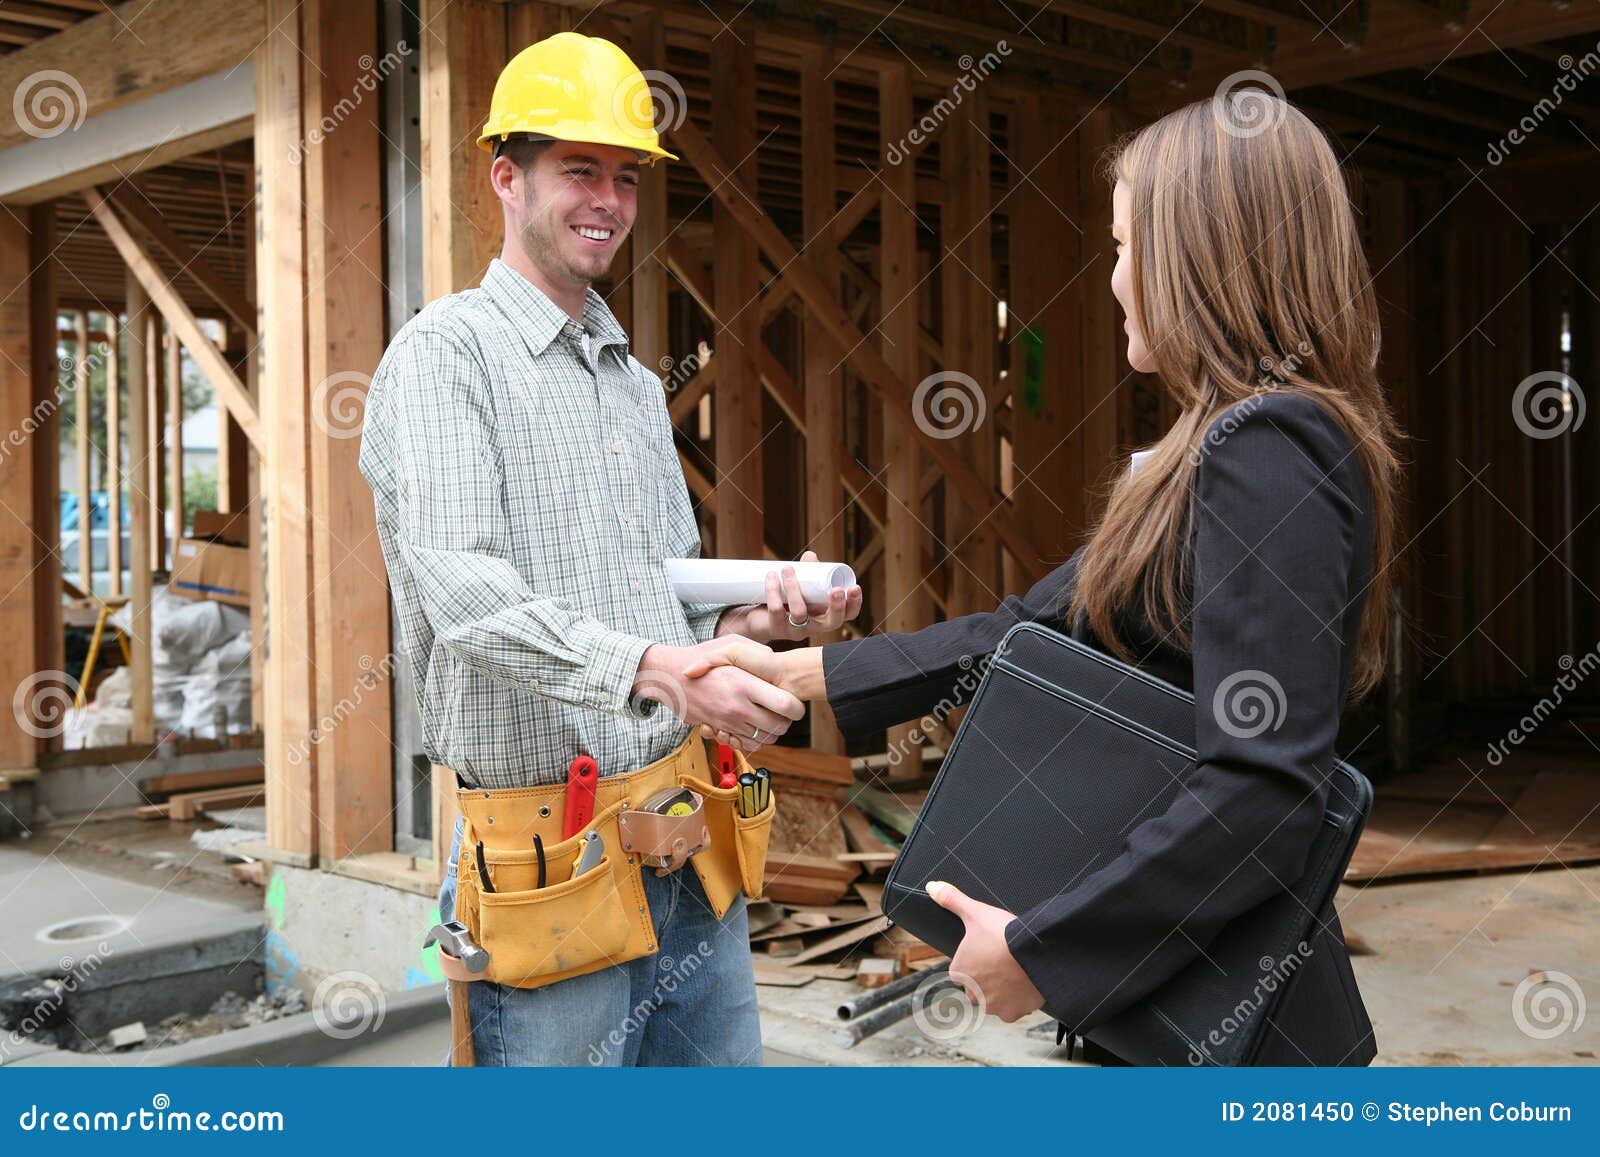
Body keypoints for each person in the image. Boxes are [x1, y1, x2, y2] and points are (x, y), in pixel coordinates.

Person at [688, 93, 1401, 1066]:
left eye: (1123, 247)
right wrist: (797, 675)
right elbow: (1019, 637)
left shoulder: (1269, 448)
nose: (1112, 283)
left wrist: (1040, 955)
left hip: (1233, 1040)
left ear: (1200, 257)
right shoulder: (1217, 449)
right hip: (1172, 1003)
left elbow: (1263, 783)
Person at [359, 32, 858, 1066]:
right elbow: (464, 587)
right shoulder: (444, 356)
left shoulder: (628, 376)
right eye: (578, 170)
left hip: (684, 832)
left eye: (625, 176)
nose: (609, 200)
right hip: (548, 853)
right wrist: (663, 670)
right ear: (507, 177)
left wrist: (741, 624)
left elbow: (657, 587)